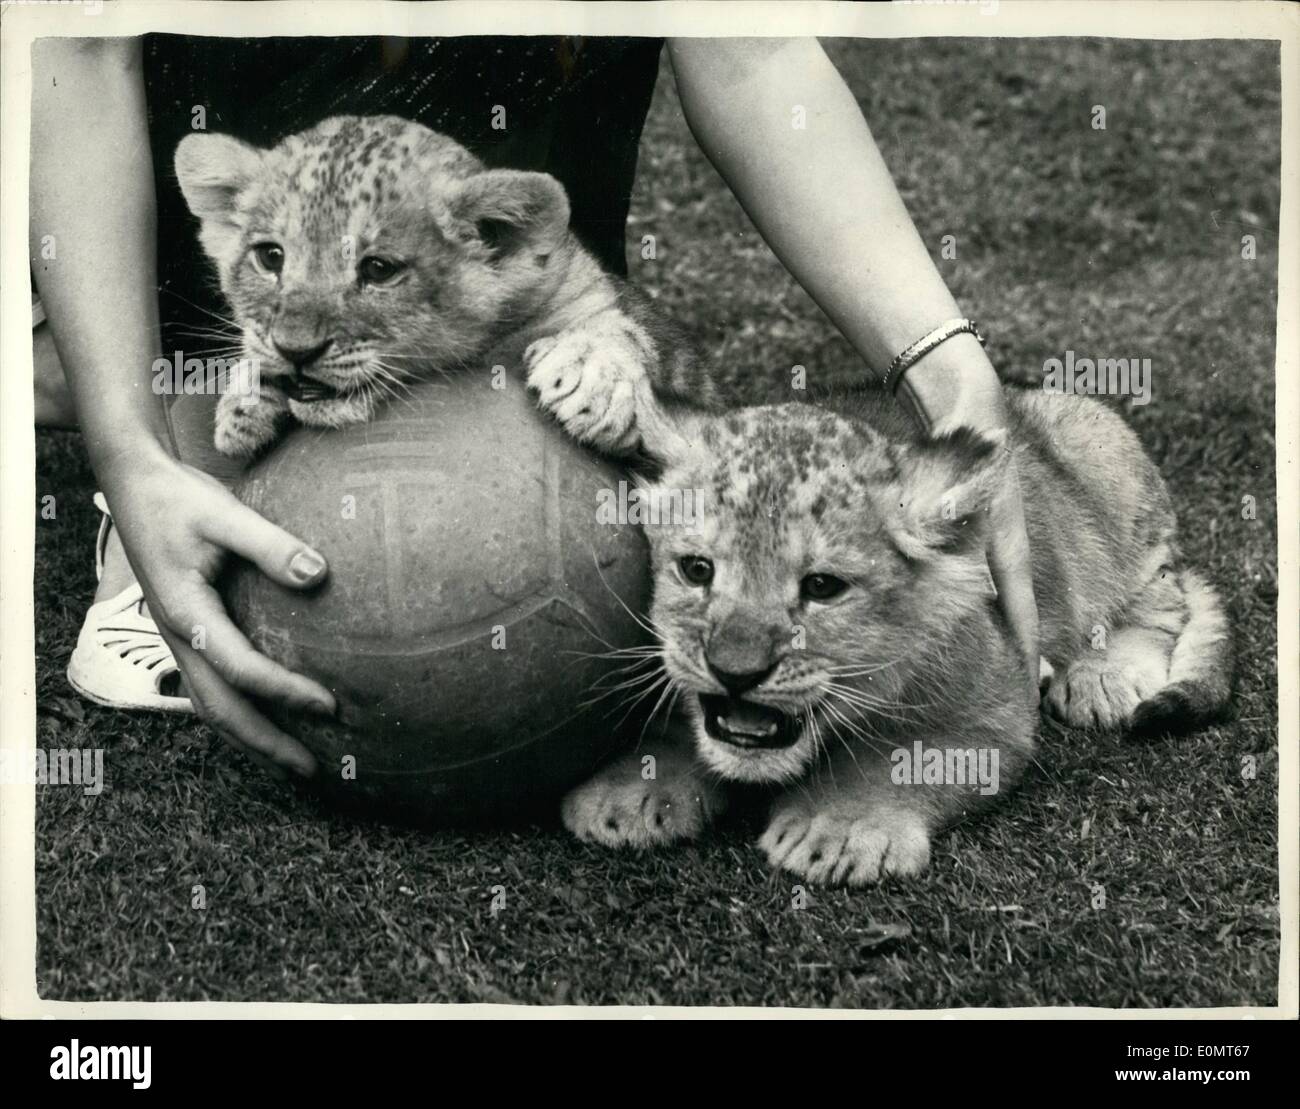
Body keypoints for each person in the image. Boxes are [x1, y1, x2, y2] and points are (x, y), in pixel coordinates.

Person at [32, 35, 1038, 780]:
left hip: (511, 282)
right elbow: (72, 42)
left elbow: (751, 45)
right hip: (221, 181)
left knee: (642, 480)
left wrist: (942, 363)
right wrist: (128, 448)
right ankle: (160, 423)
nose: (305, 321)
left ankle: (549, 386)